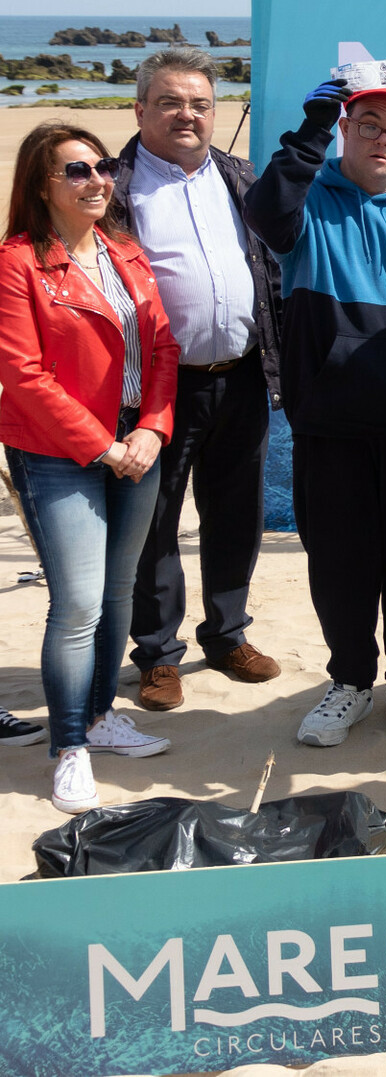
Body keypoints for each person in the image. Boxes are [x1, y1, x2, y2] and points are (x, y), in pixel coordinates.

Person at [244, 69, 386, 749]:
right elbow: (265, 212)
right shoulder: (310, 202)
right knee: (338, 564)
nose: (382, 138)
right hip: (330, 423)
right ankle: (348, 679)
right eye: (367, 124)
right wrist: (309, 133)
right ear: (345, 129)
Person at [0, 122, 180, 811]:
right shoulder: (18, 261)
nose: (98, 179)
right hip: (59, 453)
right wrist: (101, 444)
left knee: (116, 593)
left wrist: (155, 429)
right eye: (76, 170)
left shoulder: (125, 251)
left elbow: (163, 347)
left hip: (137, 444)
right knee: (76, 602)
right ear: (41, 185)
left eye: (103, 165)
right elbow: (22, 372)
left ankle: (103, 717)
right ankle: (69, 745)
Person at [108, 47, 283, 712]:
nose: (188, 114)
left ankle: (227, 634)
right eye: (171, 102)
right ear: (141, 108)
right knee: (152, 523)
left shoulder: (238, 177)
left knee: (237, 516)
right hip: (156, 389)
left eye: (201, 104)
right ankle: (156, 654)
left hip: (239, 376)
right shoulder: (114, 186)